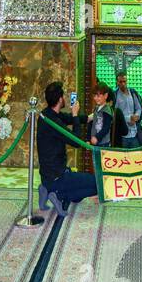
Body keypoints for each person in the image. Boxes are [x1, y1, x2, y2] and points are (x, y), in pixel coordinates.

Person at [36, 82, 98, 217]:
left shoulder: (46, 114)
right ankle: (58, 195)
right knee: (97, 184)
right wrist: (75, 114)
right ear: (60, 99)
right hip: (58, 177)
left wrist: (88, 118)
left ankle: (45, 189)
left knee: (77, 196)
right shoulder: (54, 124)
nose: (64, 98)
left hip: (46, 176)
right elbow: (76, 141)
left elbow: (67, 118)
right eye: (63, 96)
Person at [113, 71, 142, 147]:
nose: (123, 84)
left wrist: (136, 116)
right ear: (117, 82)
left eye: (124, 81)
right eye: (120, 82)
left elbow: (139, 108)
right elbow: (115, 114)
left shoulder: (133, 93)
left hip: (135, 133)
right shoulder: (115, 95)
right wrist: (129, 118)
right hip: (122, 135)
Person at [87, 83, 116, 148]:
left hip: (103, 144)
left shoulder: (107, 110)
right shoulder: (96, 108)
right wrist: (88, 139)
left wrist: (97, 137)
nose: (95, 98)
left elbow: (106, 127)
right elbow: (91, 124)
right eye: (94, 96)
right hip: (95, 143)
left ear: (105, 96)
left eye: (98, 96)